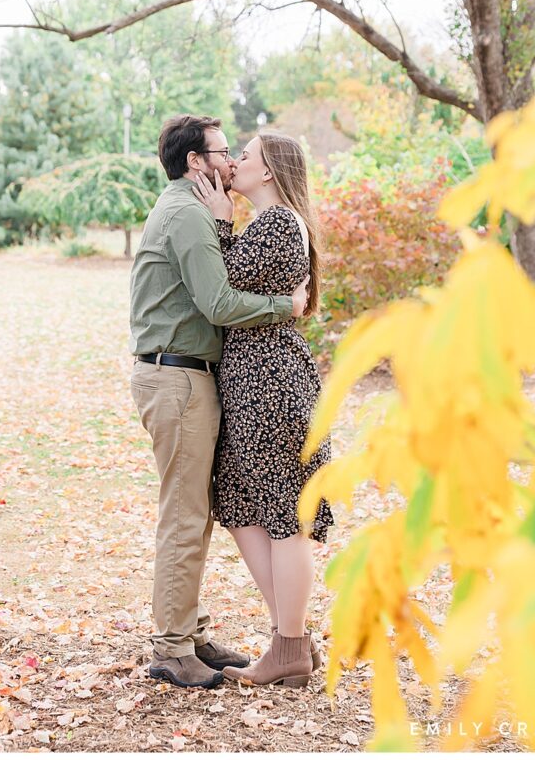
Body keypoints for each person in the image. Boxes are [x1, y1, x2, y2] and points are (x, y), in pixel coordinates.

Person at [127, 114, 310, 688]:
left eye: (238, 152)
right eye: (224, 151)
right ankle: (173, 647)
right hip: (177, 378)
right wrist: (287, 307)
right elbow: (219, 302)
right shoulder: (188, 214)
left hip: (191, 376)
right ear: (195, 163)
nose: (231, 161)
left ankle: (190, 631)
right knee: (186, 516)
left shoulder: (202, 211)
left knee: (196, 513)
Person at [188, 131, 332, 689]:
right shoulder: (272, 223)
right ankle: (290, 639)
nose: (234, 163)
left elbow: (220, 293)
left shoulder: (274, 224)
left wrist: (221, 223)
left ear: (268, 170)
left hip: (271, 382)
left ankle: (289, 646)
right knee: (242, 504)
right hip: (256, 380)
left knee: (279, 513)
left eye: (243, 155)